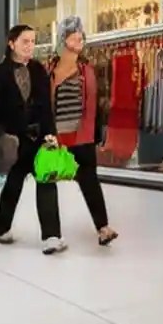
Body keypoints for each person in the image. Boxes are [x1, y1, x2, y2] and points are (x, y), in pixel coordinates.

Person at [0, 24, 63, 254]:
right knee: (13, 183)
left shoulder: (39, 70)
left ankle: (51, 236)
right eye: (25, 41)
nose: (30, 46)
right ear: (12, 44)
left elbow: (47, 107)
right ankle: (1, 227)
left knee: (47, 181)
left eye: (33, 41)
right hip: (14, 139)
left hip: (40, 137)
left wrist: (51, 133)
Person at [49, 16, 118, 246]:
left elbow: (95, 105)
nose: (79, 37)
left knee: (90, 181)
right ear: (62, 39)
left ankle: (103, 228)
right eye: (72, 34)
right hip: (56, 139)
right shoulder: (49, 69)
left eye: (80, 34)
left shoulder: (87, 69)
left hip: (82, 138)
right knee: (46, 184)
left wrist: (97, 134)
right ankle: (51, 235)